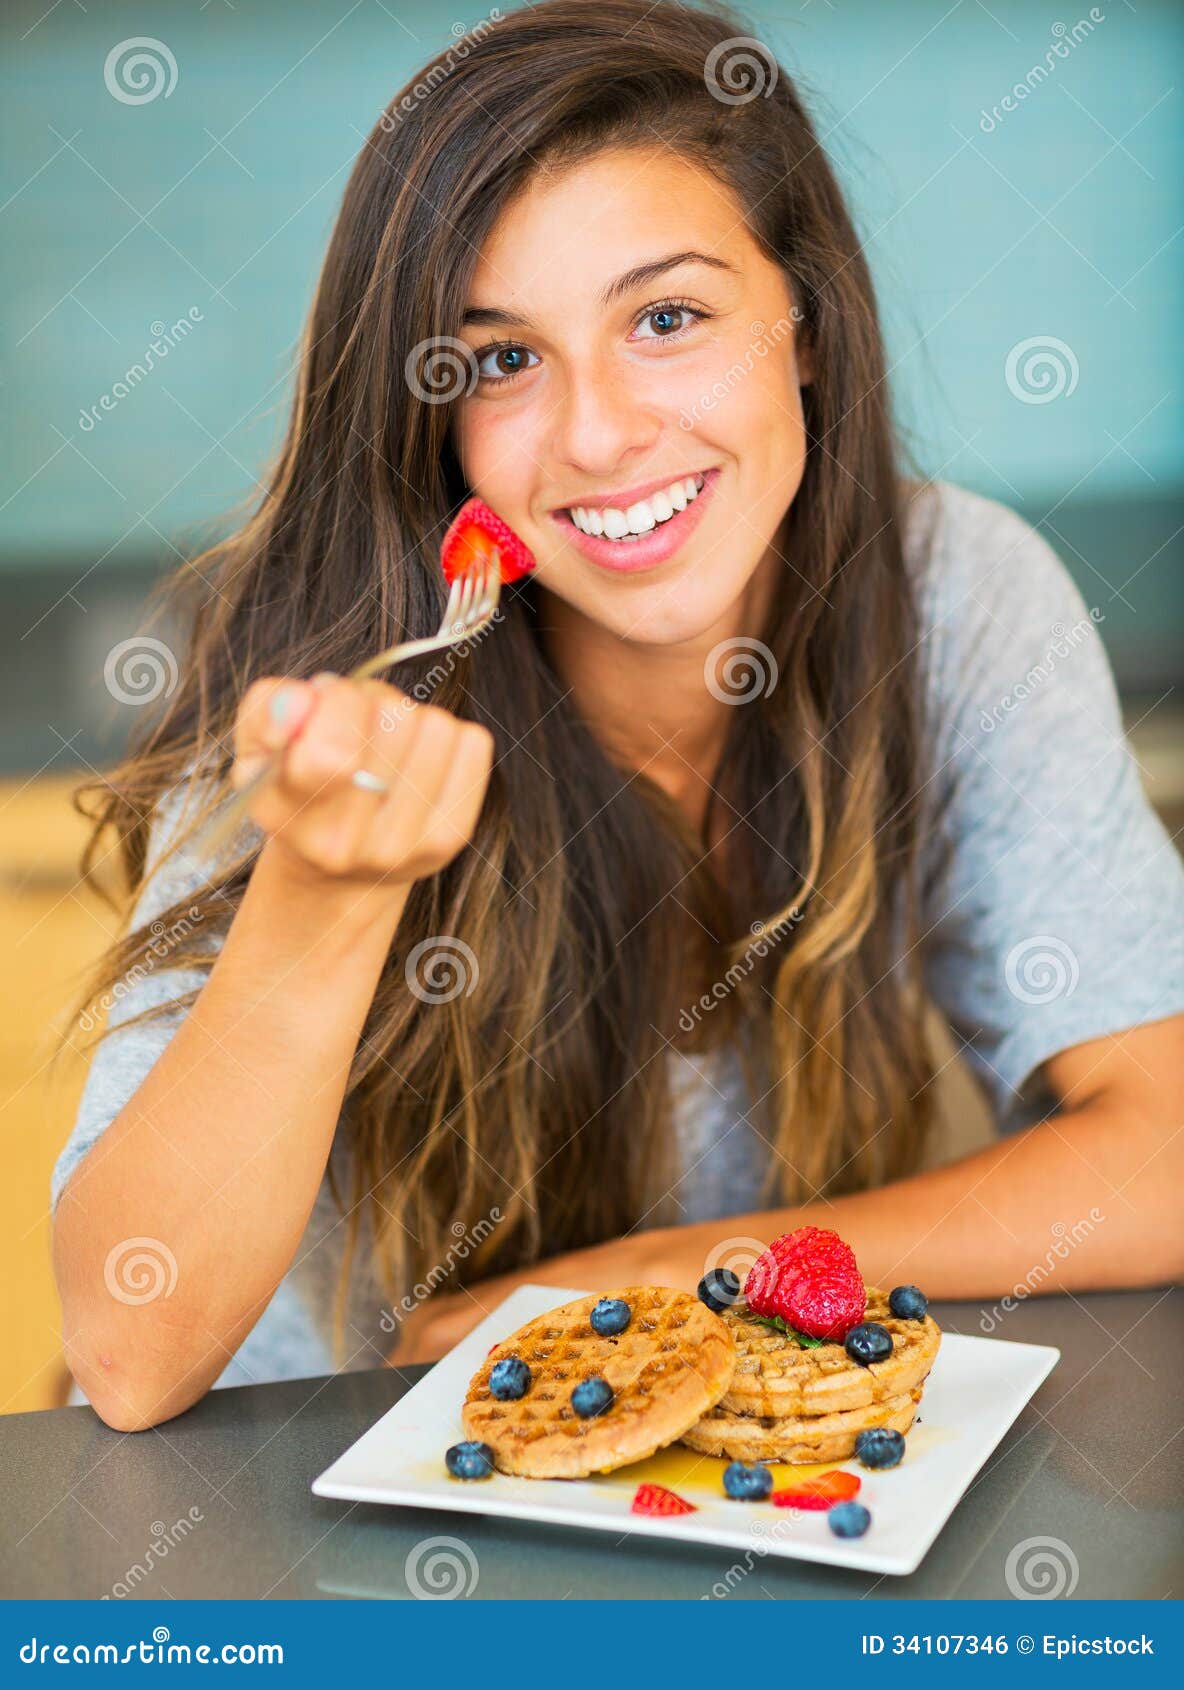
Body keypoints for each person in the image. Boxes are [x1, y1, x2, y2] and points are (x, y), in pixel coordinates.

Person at [52, 0, 1184, 1431]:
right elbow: (131, 1356)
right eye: (503, 359)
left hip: (701, 1479)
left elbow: (1163, 1153)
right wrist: (324, 895)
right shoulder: (325, 680)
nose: (599, 432)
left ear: (809, 328)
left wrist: (652, 1281)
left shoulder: (955, 596)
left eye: (667, 318)